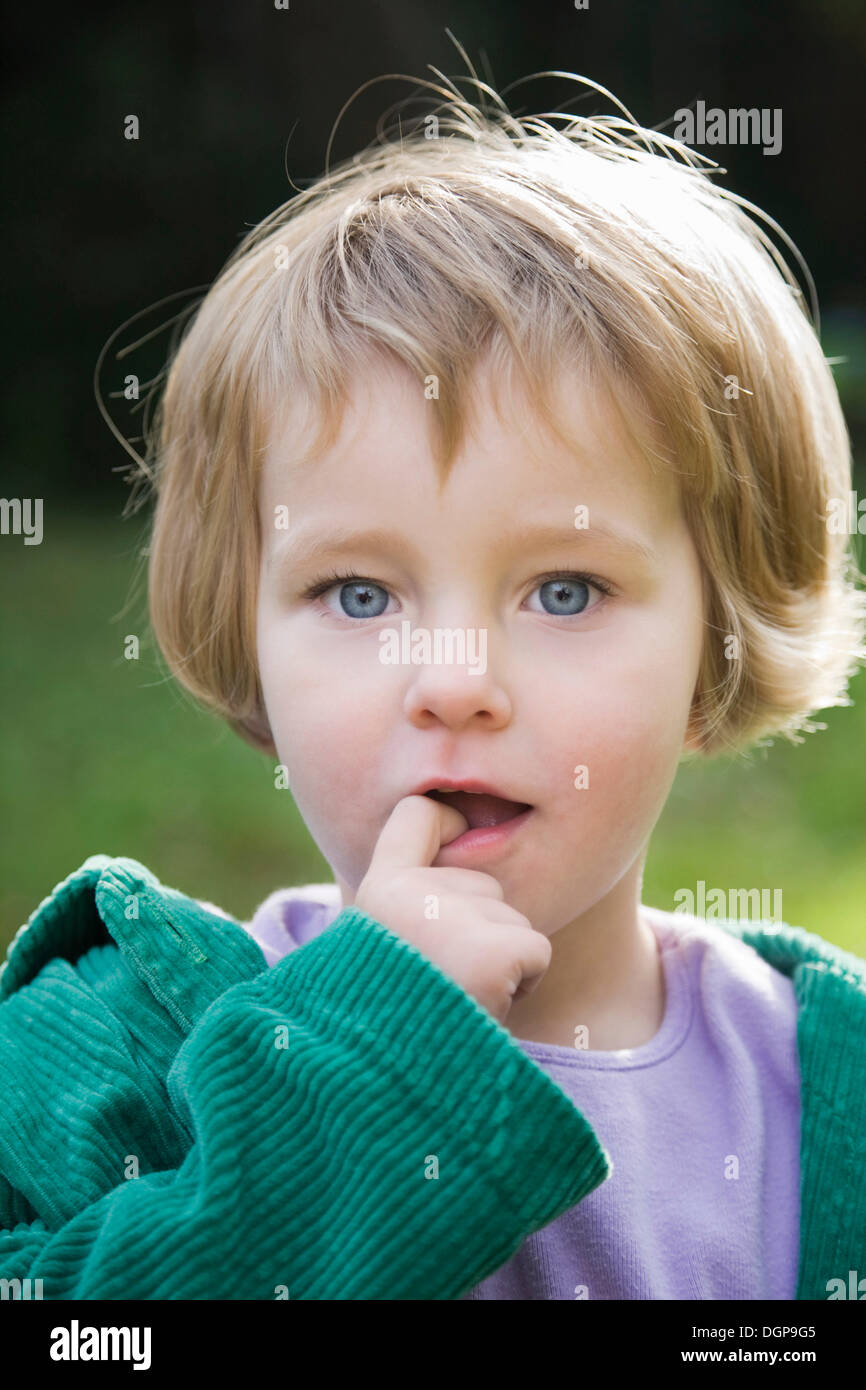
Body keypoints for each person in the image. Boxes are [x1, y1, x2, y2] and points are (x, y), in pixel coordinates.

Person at [2, 63, 865, 1301]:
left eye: (563, 590)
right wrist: (369, 1061)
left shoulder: (817, 1081)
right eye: (359, 595)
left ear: (717, 640)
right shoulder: (119, 1049)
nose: (453, 684)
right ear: (244, 633)